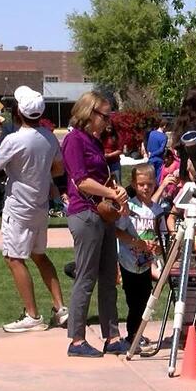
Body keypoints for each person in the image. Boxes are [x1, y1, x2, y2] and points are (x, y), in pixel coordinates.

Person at [0, 86, 70, 333]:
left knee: (14, 257)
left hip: (19, 205)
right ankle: (60, 308)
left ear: (18, 112)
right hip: (40, 205)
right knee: (39, 254)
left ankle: (32, 315)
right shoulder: (48, 136)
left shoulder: (15, 139)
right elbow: (58, 170)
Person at [61, 91, 130, 357]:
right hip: (85, 215)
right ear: (90, 113)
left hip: (102, 215)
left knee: (108, 278)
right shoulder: (73, 141)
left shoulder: (94, 141)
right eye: (105, 115)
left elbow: (101, 178)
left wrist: (115, 189)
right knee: (86, 277)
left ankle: (112, 336)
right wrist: (111, 193)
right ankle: (77, 340)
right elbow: (81, 181)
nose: (108, 121)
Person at [115, 164, 164, 349]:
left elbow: (161, 236)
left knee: (145, 300)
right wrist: (135, 241)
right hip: (128, 261)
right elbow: (118, 232)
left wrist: (157, 247)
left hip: (146, 264)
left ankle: (137, 333)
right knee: (132, 300)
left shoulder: (157, 210)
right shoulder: (129, 208)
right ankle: (132, 334)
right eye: (141, 184)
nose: (145, 188)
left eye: (149, 184)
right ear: (134, 185)